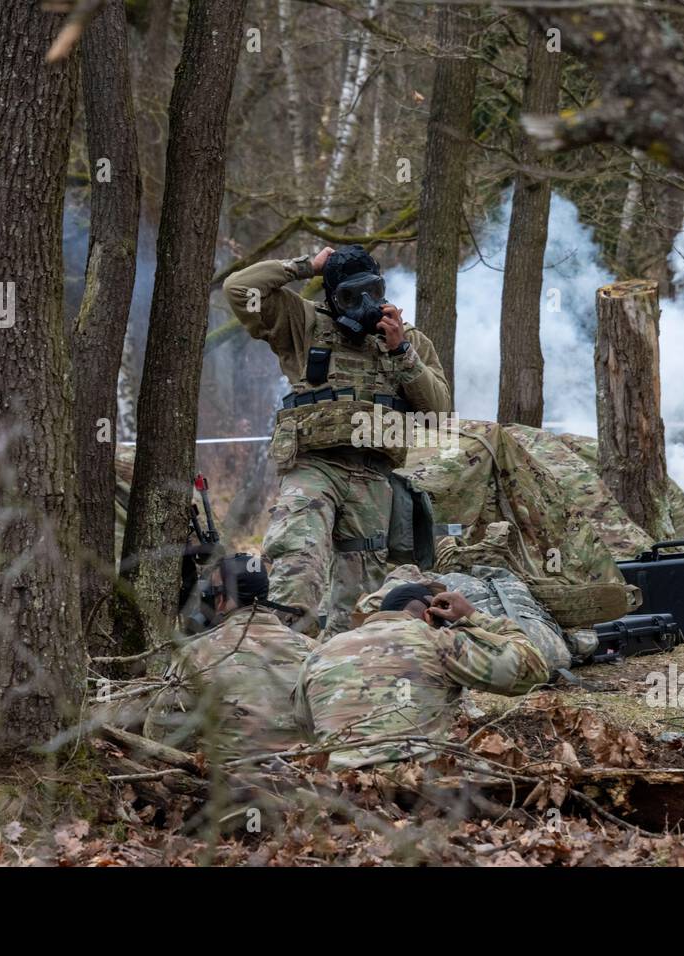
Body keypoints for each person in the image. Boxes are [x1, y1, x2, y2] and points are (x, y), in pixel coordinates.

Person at [223, 245, 452, 637]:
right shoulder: (304, 321)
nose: (364, 303)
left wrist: (402, 352)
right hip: (315, 467)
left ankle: (339, 669)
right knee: (297, 553)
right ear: (330, 296)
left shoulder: (407, 339)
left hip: (373, 476)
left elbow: (439, 410)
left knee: (361, 586)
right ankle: (284, 651)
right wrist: (304, 267)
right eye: (349, 296)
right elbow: (238, 288)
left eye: (373, 292)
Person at [294, 584, 550, 770]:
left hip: (338, 787)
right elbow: (534, 670)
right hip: (417, 786)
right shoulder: (434, 640)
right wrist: (472, 616)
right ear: (430, 615)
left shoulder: (320, 652)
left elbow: (306, 728)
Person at [143, 554, 313, 763]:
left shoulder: (197, 653)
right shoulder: (313, 650)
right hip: (303, 775)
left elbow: (160, 736)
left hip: (224, 779)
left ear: (221, 599)